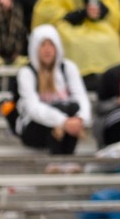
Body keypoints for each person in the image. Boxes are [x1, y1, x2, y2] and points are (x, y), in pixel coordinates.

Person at [11, 24, 90, 155]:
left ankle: (67, 159)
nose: (47, 50)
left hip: (67, 127)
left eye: (51, 45)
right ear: (35, 48)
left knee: (72, 107)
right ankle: (57, 160)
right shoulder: (26, 73)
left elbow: (81, 97)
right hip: (34, 130)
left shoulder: (68, 68)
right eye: (43, 45)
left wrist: (80, 119)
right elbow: (33, 108)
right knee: (60, 109)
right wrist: (63, 121)